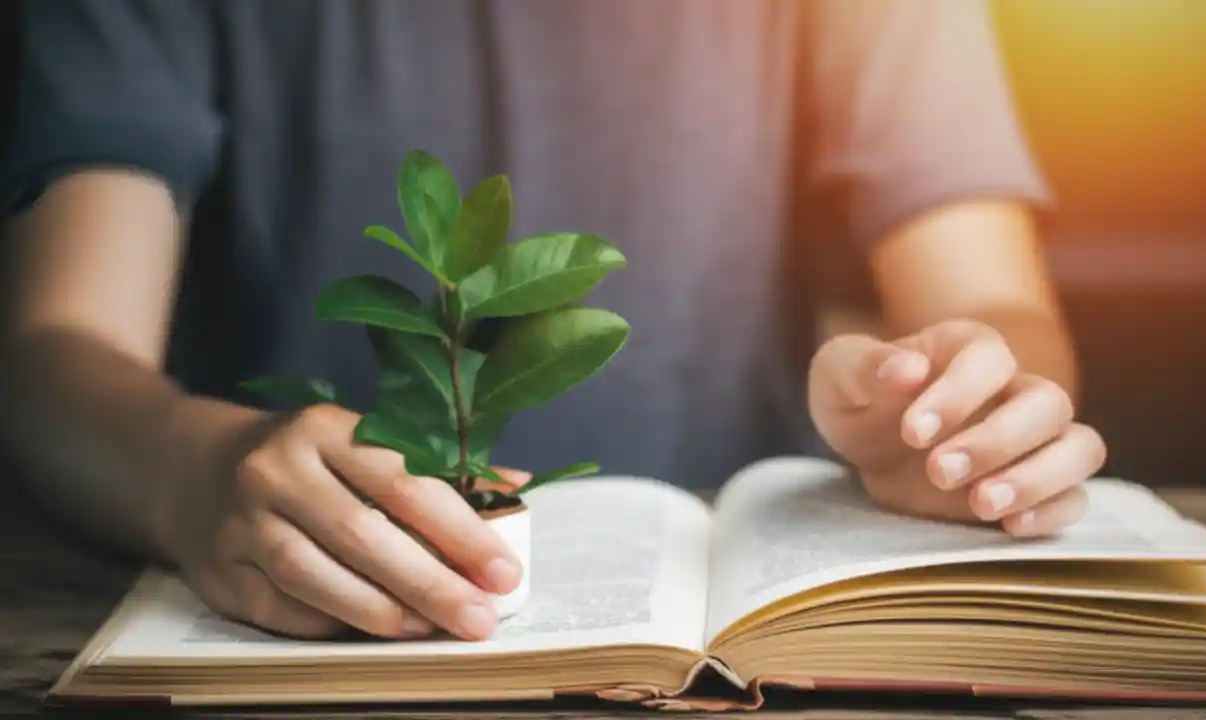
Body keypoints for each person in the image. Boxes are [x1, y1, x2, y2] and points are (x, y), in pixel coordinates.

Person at [0, 1, 1105, 643]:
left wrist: (958, 415)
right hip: (291, 613)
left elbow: (993, 302)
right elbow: (56, 354)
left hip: (736, 643)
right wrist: (193, 472)